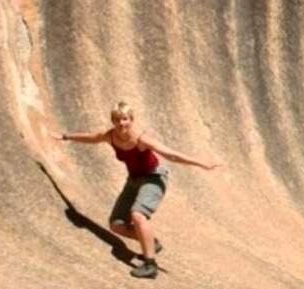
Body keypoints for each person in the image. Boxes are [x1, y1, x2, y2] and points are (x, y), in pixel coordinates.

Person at [55, 101, 219, 278]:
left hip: (154, 178)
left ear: (131, 119)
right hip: (133, 180)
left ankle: (150, 265)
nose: (121, 123)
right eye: (117, 120)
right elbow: (92, 138)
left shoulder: (141, 139)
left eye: (125, 119)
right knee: (116, 225)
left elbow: (170, 154)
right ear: (113, 122)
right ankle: (151, 242)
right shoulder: (110, 136)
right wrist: (65, 136)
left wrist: (202, 164)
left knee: (137, 215)